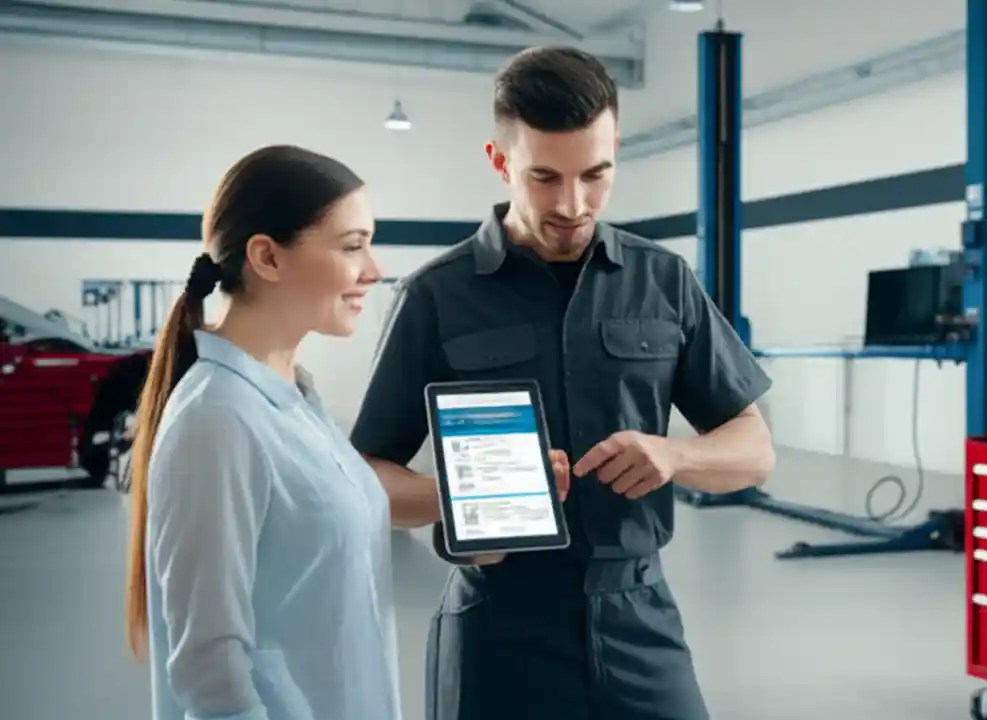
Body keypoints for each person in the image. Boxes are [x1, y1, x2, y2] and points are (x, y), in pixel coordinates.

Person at [351, 46, 777, 720]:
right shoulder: (435, 296)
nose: (573, 204)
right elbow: (365, 479)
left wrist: (677, 454)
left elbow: (755, 450)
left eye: (596, 176)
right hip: (499, 629)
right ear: (500, 160)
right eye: (544, 177)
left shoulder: (663, 280)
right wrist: (468, 499)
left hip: (641, 621)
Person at [123, 144, 400, 720]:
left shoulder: (294, 397)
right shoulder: (216, 420)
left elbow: (335, 508)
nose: (373, 270)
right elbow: (210, 672)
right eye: (353, 247)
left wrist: (475, 503)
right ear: (267, 258)